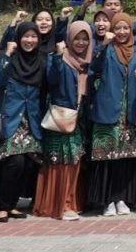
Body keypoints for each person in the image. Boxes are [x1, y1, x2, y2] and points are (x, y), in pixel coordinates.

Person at [88, 12, 136, 217]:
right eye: (118, 28)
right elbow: (93, 68)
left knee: (125, 159)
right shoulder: (106, 50)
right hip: (107, 112)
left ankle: (121, 198)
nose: (122, 32)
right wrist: (103, 45)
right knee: (106, 159)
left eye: (126, 28)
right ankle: (107, 201)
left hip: (129, 113)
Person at [35, 20, 93, 221]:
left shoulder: (88, 61)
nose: (81, 43)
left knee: (74, 161)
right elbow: (52, 80)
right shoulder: (58, 58)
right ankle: (59, 205)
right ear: (69, 39)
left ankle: (70, 202)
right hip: (61, 119)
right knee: (60, 162)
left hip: (80, 119)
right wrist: (59, 57)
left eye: (85, 39)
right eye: (77, 38)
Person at [0, 22, 46, 223]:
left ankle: (12, 205)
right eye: (26, 36)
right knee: (15, 162)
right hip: (10, 119)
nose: (29, 40)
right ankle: (2, 207)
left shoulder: (41, 61)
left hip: (31, 121)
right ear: (19, 37)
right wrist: (5, 55)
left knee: (28, 165)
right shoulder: (8, 58)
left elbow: (51, 83)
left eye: (34, 37)